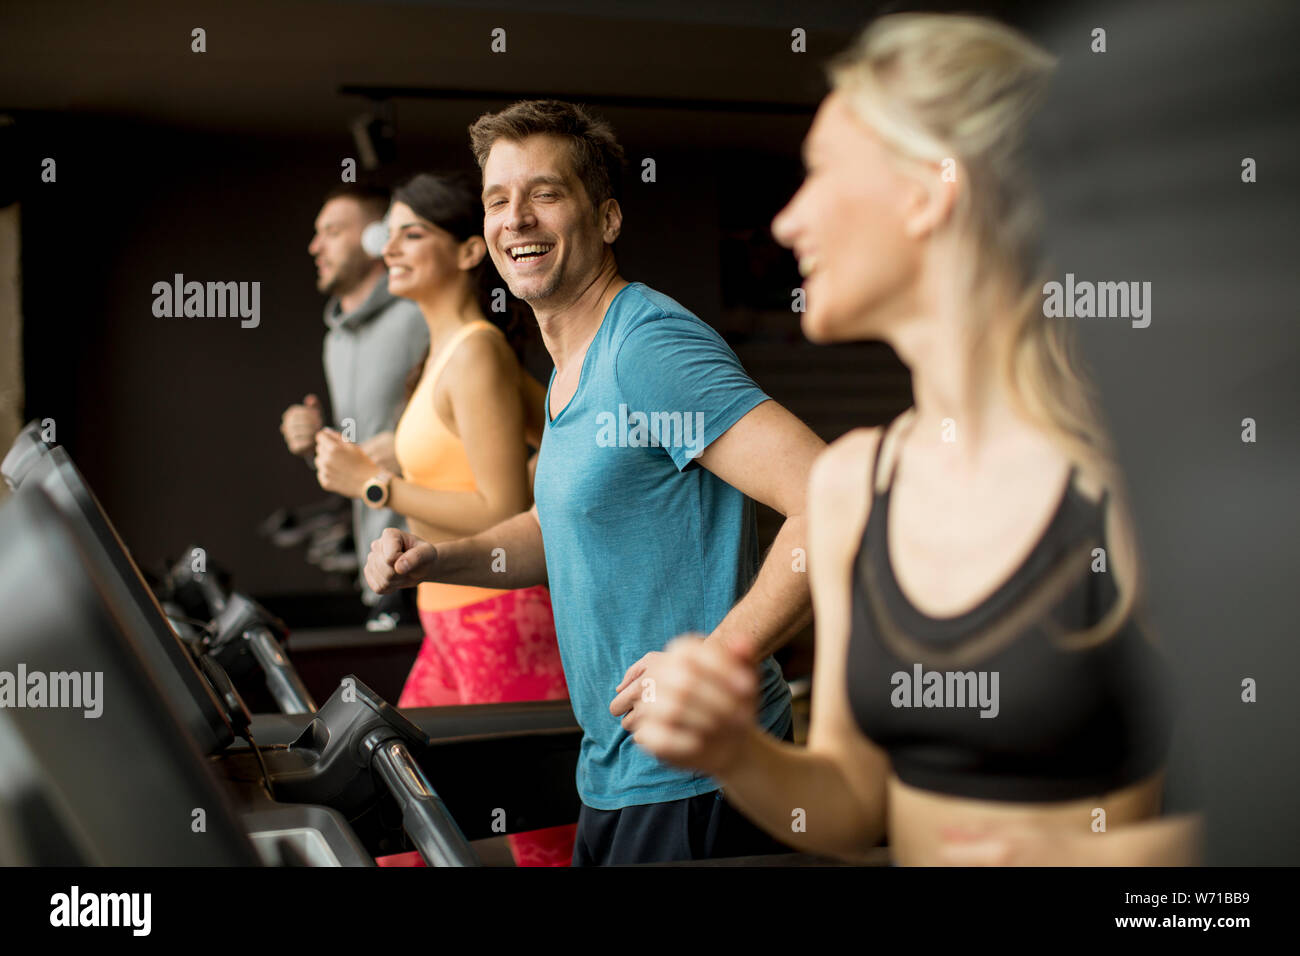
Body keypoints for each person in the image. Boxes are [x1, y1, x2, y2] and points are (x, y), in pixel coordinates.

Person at [632, 12, 1202, 866]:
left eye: (819, 171)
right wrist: (735, 753)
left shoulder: (1136, 489)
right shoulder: (853, 486)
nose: (786, 222)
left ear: (932, 187)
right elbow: (854, 804)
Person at [364, 100, 826, 865]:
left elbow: (829, 496)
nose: (517, 219)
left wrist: (719, 656)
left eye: (544, 194)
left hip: (701, 776)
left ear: (607, 219)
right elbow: (561, 531)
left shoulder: (646, 347)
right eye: (498, 200)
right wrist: (441, 558)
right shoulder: (569, 368)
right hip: (617, 774)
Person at [313, 171, 574, 867]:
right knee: (397, 826)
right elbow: (556, 438)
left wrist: (376, 486)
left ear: (466, 252)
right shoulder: (444, 357)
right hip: (450, 622)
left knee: (542, 838)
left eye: (413, 234)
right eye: (387, 234)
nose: (390, 249)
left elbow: (497, 510)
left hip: (498, 619)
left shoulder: (477, 351)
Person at [280, 184, 428, 612]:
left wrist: (404, 450)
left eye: (332, 231)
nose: (314, 246)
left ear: (376, 239)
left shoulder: (419, 313)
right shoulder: (335, 341)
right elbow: (361, 458)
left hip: (436, 561)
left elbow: (474, 428)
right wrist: (316, 445)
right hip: (379, 572)